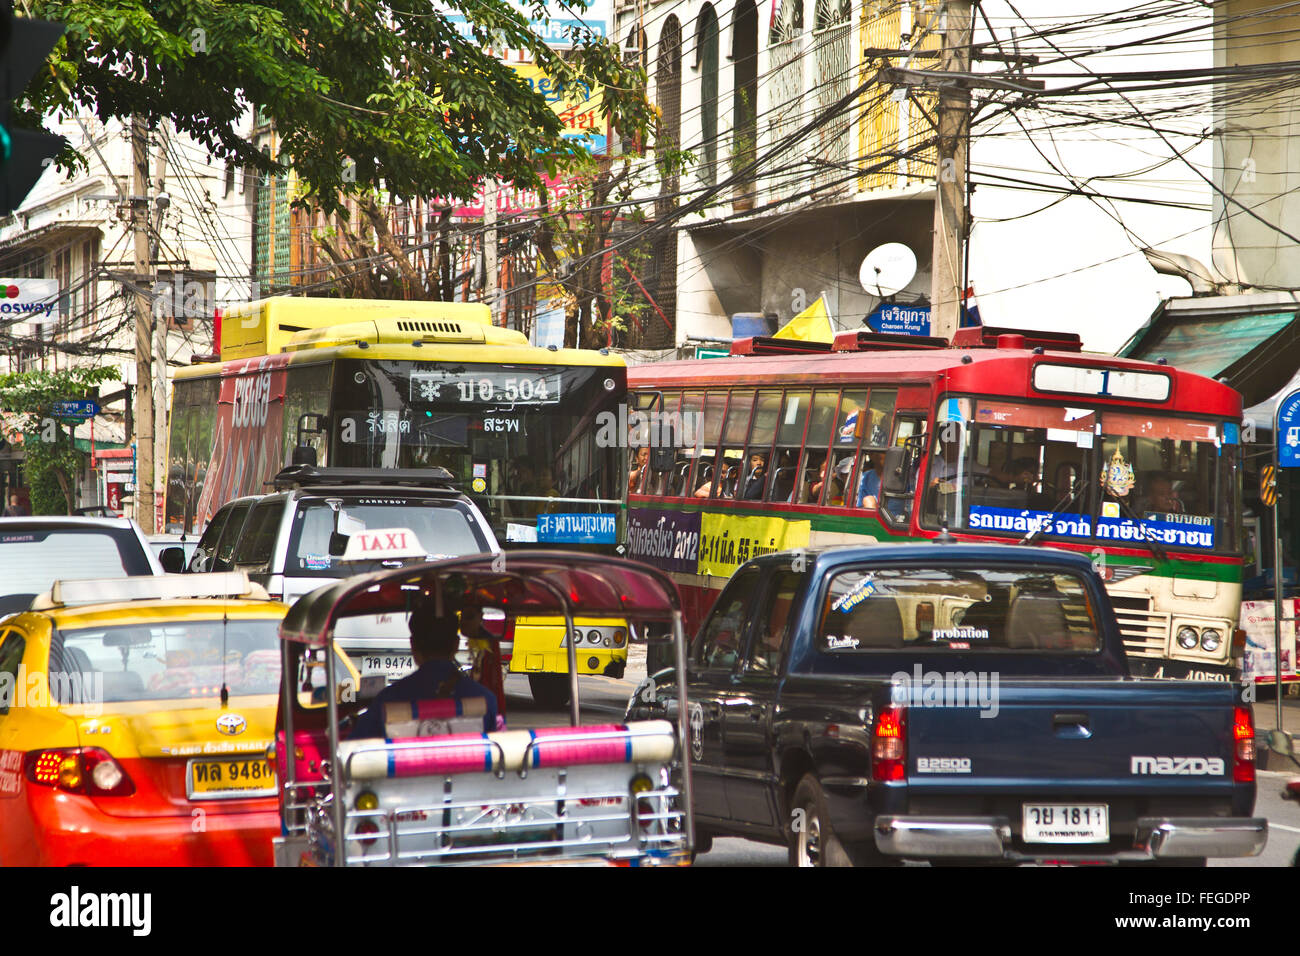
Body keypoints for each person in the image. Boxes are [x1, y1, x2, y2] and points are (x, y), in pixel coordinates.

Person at [349, 600, 499, 739]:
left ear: (413, 645)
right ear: (456, 645)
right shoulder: (486, 700)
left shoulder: (387, 700)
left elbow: (354, 748)